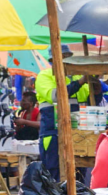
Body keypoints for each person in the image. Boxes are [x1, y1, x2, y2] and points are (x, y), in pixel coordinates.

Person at [35, 44, 90, 178]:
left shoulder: (77, 76)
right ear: (52, 60)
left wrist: (97, 89)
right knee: (55, 174)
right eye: (62, 57)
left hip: (78, 133)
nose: (66, 60)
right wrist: (80, 83)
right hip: (53, 134)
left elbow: (88, 98)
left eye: (67, 57)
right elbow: (55, 96)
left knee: (79, 173)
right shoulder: (45, 76)